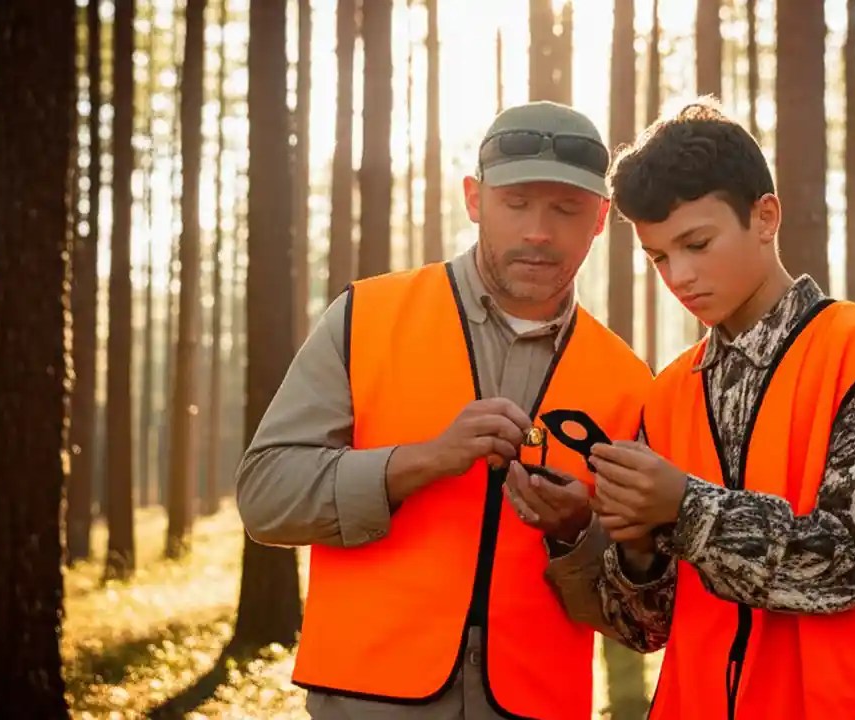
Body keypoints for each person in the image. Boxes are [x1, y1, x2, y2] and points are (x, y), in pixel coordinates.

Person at [235, 101, 652, 720]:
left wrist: (573, 535)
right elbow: (265, 498)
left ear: (600, 219)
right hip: (366, 704)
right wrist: (420, 462)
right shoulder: (366, 318)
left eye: (566, 209)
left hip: (535, 708)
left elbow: (643, 614)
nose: (539, 231)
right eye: (516, 204)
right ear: (474, 199)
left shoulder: (628, 380)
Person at [587, 101, 855, 719]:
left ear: (765, 216)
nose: (678, 275)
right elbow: (647, 629)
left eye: (696, 243)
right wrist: (636, 550)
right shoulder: (669, 392)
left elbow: (854, 562)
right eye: (658, 257)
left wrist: (684, 509)